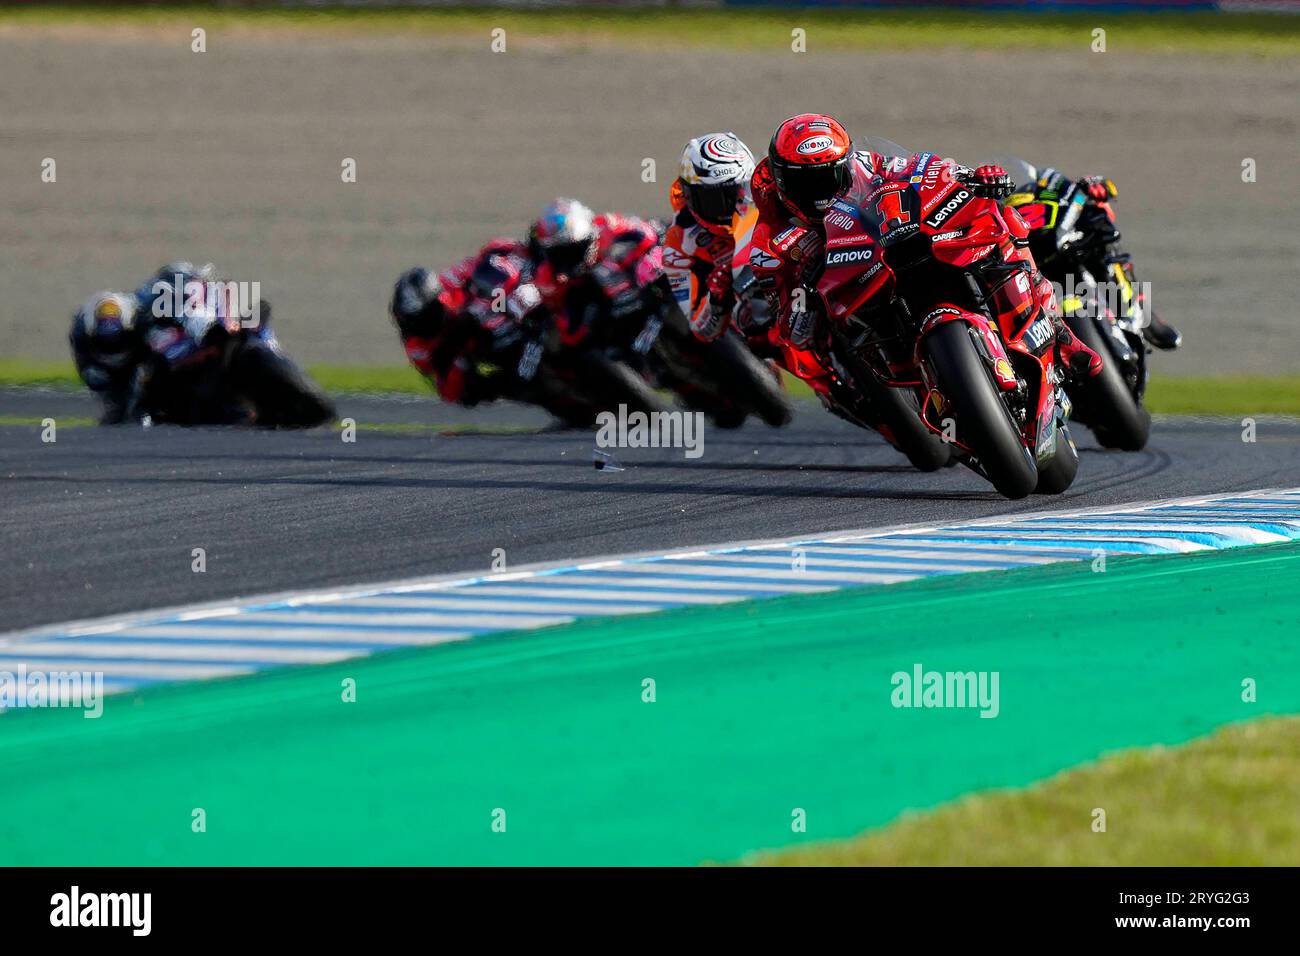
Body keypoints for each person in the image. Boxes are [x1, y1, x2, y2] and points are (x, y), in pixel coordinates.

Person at [747, 113, 1101, 386]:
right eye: (803, 182)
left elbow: (925, 169)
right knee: (815, 337)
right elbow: (792, 327)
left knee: (1003, 216)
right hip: (845, 285)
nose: (817, 192)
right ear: (780, 179)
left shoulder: (867, 166)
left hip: (885, 251)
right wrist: (803, 298)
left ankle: (1058, 330)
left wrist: (973, 177)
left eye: (827, 177)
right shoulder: (772, 223)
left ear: (846, 164)